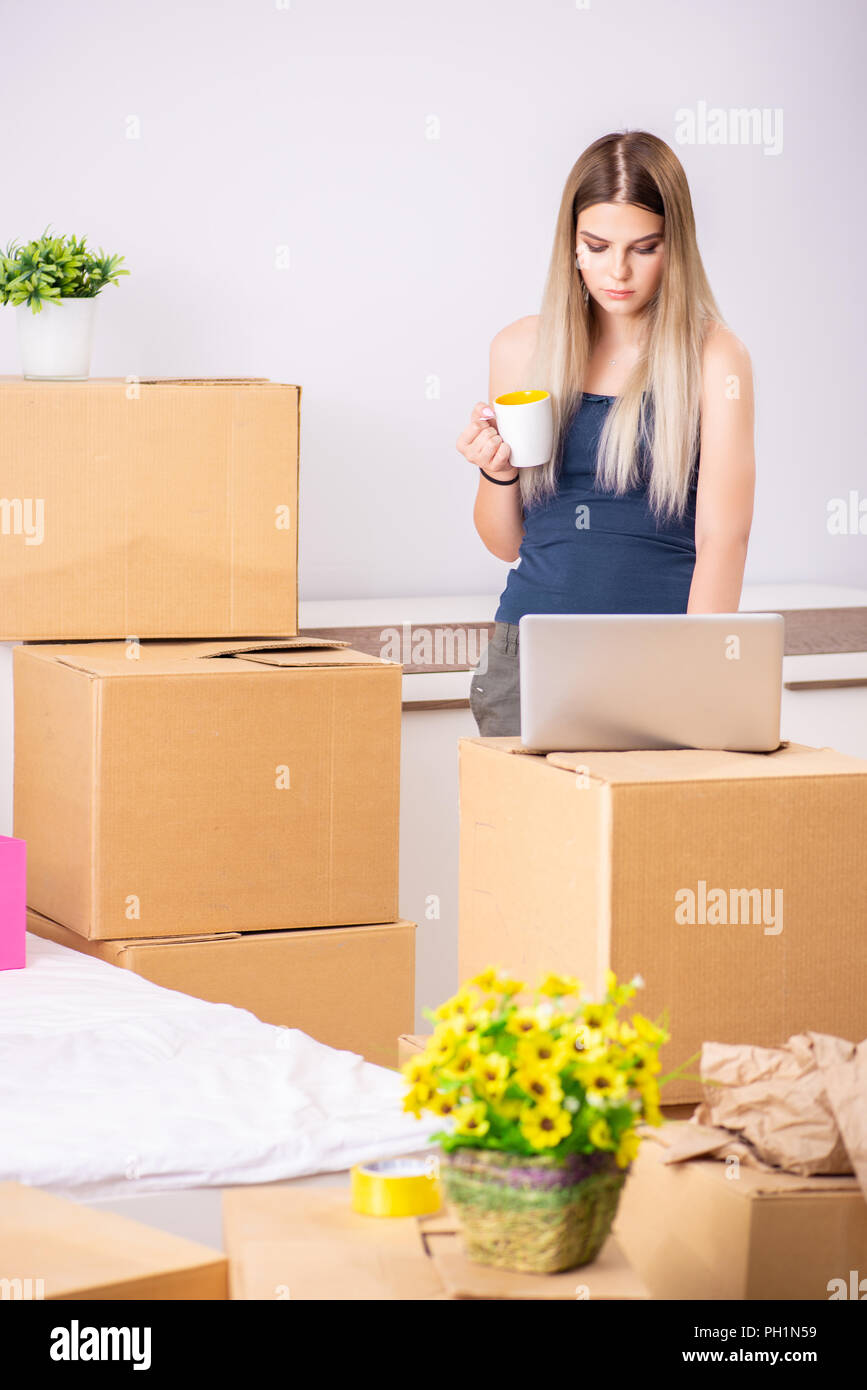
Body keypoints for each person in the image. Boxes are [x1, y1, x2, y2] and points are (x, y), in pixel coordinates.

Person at [456, 129, 755, 737]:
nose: (618, 271)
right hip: (527, 658)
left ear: (676, 249)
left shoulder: (715, 359)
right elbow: (507, 543)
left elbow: (725, 540)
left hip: (662, 661)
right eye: (598, 245)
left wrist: (698, 676)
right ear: (572, 246)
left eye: (644, 248)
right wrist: (496, 471)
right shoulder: (520, 349)